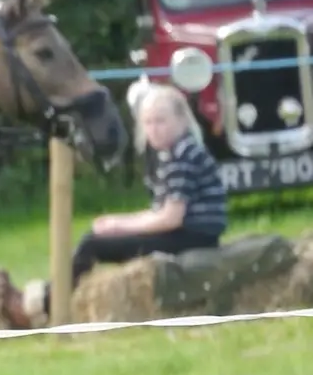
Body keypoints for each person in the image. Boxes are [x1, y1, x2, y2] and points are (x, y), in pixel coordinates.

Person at [72, 84, 226, 284]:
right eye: (148, 122)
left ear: (181, 120)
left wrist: (120, 227)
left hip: (192, 236)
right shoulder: (178, 152)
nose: (154, 130)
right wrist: (117, 222)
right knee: (98, 236)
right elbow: (160, 212)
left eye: (161, 121)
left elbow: (171, 218)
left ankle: (51, 302)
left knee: (92, 245)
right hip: (193, 233)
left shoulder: (182, 156)